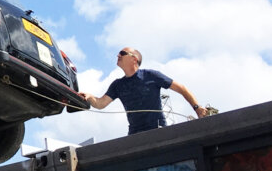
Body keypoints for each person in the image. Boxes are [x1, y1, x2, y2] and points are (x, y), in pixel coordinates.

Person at [79, 47, 208, 134]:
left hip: (158, 131)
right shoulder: (117, 85)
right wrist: (89, 96)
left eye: (122, 53)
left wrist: (197, 107)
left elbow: (182, 89)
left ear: (134, 59)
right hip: (135, 133)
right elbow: (101, 104)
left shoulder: (151, 75)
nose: (118, 55)